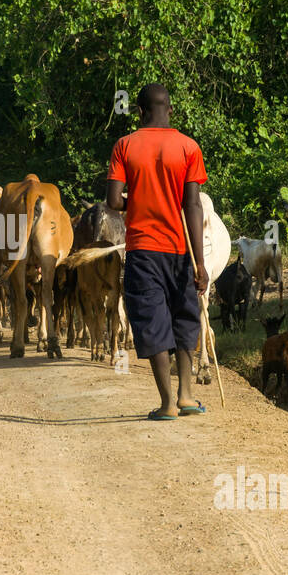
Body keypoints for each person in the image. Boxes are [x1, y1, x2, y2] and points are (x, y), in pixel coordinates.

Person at [105, 83, 208, 420]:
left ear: (139, 111)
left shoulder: (125, 146)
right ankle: (186, 396)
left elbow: (113, 201)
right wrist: (200, 263)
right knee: (185, 318)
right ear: (171, 110)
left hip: (143, 250)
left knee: (151, 322)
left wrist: (135, 199)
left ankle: (166, 403)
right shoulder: (188, 146)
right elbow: (192, 204)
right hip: (181, 250)